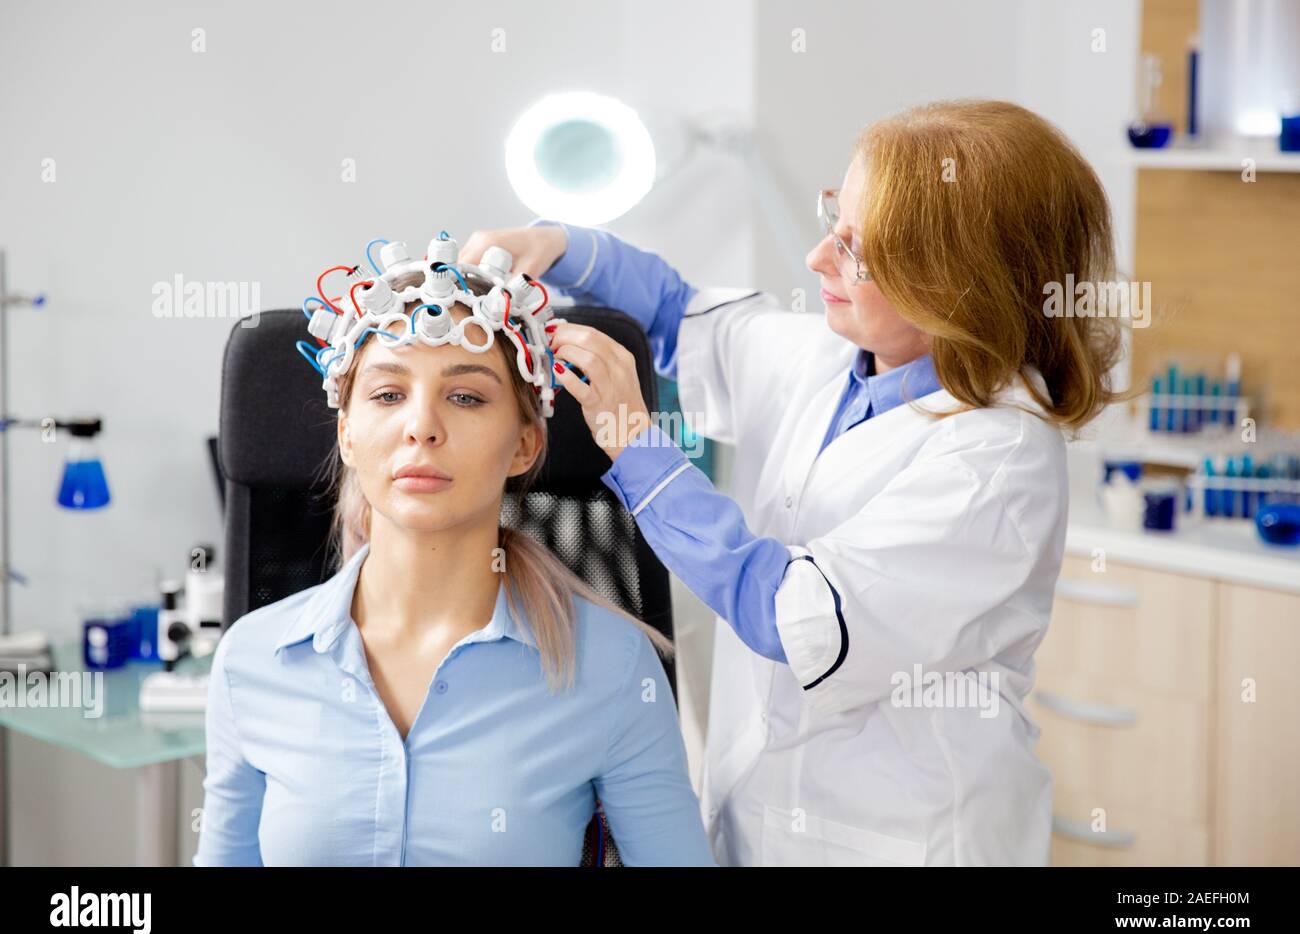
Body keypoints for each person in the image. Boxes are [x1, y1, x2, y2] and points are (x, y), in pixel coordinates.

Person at [460, 99, 1124, 865]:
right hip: (764, 817)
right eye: (834, 218)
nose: (816, 260)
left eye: (857, 251)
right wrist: (562, 243)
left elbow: (790, 613)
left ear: (957, 287)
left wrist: (637, 446)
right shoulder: (835, 360)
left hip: (908, 839)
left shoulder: (997, 460)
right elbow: (678, 314)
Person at [194, 271, 716, 866]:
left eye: (466, 396)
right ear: (346, 433)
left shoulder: (611, 666)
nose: (422, 426)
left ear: (525, 444)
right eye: (388, 395)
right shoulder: (252, 661)